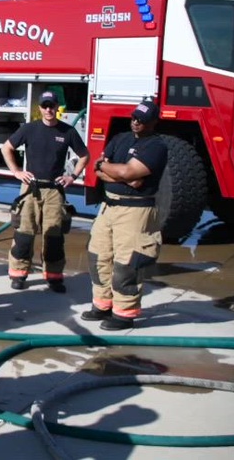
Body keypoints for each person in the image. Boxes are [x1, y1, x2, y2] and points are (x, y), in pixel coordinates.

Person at [82, 99, 167, 331]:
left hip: (135, 211)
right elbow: (99, 167)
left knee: (127, 264)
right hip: (108, 207)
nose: (136, 122)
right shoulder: (120, 138)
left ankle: (124, 313)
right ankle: (102, 304)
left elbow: (132, 173)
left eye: (142, 120)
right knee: (98, 256)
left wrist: (121, 172)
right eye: (134, 117)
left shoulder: (156, 146)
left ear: (154, 122)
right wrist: (119, 174)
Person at [2, 90, 90, 292]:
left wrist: (73, 176)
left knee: (54, 236)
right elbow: (7, 148)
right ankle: (18, 274)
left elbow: (84, 155)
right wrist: (16, 171)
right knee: (24, 234)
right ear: (39, 108)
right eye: (45, 106)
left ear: (57, 107)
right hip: (30, 188)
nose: (49, 109)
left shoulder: (67, 132)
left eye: (52, 106)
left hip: (54, 191)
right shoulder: (29, 129)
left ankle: (53, 276)